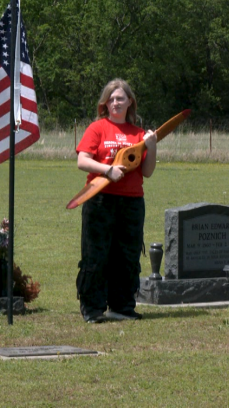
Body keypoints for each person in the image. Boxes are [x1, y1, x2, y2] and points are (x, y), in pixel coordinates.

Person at [75, 79, 157, 323]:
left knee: (127, 256)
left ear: (129, 102)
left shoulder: (139, 134)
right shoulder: (97, 128)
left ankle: (122, 306)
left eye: (120, 98)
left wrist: (151, 147)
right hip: (100, 200)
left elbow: (148, 171)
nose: (115, 103)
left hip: (132, 203)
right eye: (111, 99)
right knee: (96, 255)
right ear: (105, 104)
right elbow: (82, 160)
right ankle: (92, 308)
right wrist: (107, 170)